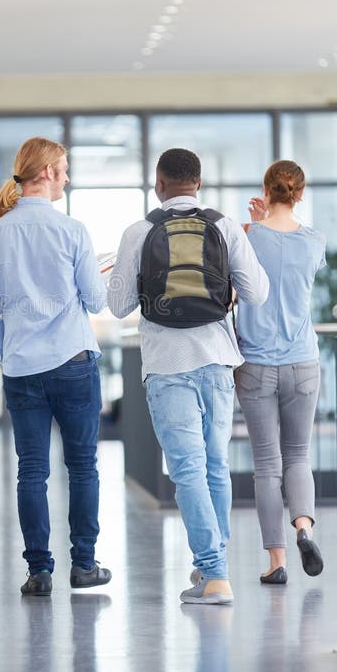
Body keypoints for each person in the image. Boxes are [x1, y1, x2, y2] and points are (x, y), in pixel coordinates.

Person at [108, 148, 269, 605]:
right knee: (214, 465)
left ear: (159, 184)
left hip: (166, 364)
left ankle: (215, 574)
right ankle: (210, 567)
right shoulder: (223, 226)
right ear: (197, 183)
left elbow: (117, 306)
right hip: (217, 359)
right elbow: (259, 291)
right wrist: (231, 291)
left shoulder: (139, 231)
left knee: (187, 470)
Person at [0, 137, 111, 596]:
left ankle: (39, 570)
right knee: (82, 467)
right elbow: (96, 300)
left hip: (22, 369)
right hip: (73, 362)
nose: (68, 178)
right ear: (46, 174)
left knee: (31, 470)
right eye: (64, 170)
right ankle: (84, 564)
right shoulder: (72, 231)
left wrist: (6, 349)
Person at [235, 160, 325, 584]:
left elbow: (246, 278)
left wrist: (256, 225)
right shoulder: (315, 241)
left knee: (267, 465)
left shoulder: (247, 236)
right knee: (299, 456)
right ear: (300, 194)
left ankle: (277, 561)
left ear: (265, 190)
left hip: (255, 364)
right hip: (303, 362)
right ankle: (304, 528)